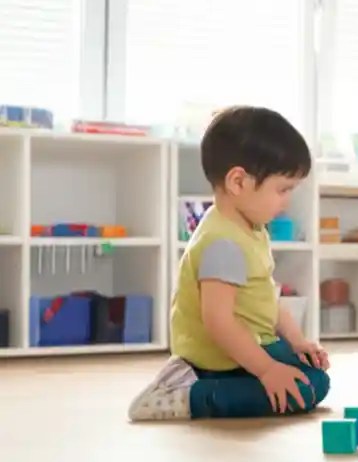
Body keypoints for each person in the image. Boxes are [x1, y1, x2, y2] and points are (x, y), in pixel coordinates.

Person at [128, 106, 330, 421]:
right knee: (305, 389)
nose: (287, 201)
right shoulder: (224, 244)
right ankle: (187, 396)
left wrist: (299, 342)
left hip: (250, 343)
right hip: (217, 357)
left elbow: (268, 299)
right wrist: (266, 369)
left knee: (312, 375)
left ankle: (220, 384)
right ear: (238, 182)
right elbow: (218, 322)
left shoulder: (250, 228)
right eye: (282, 189)